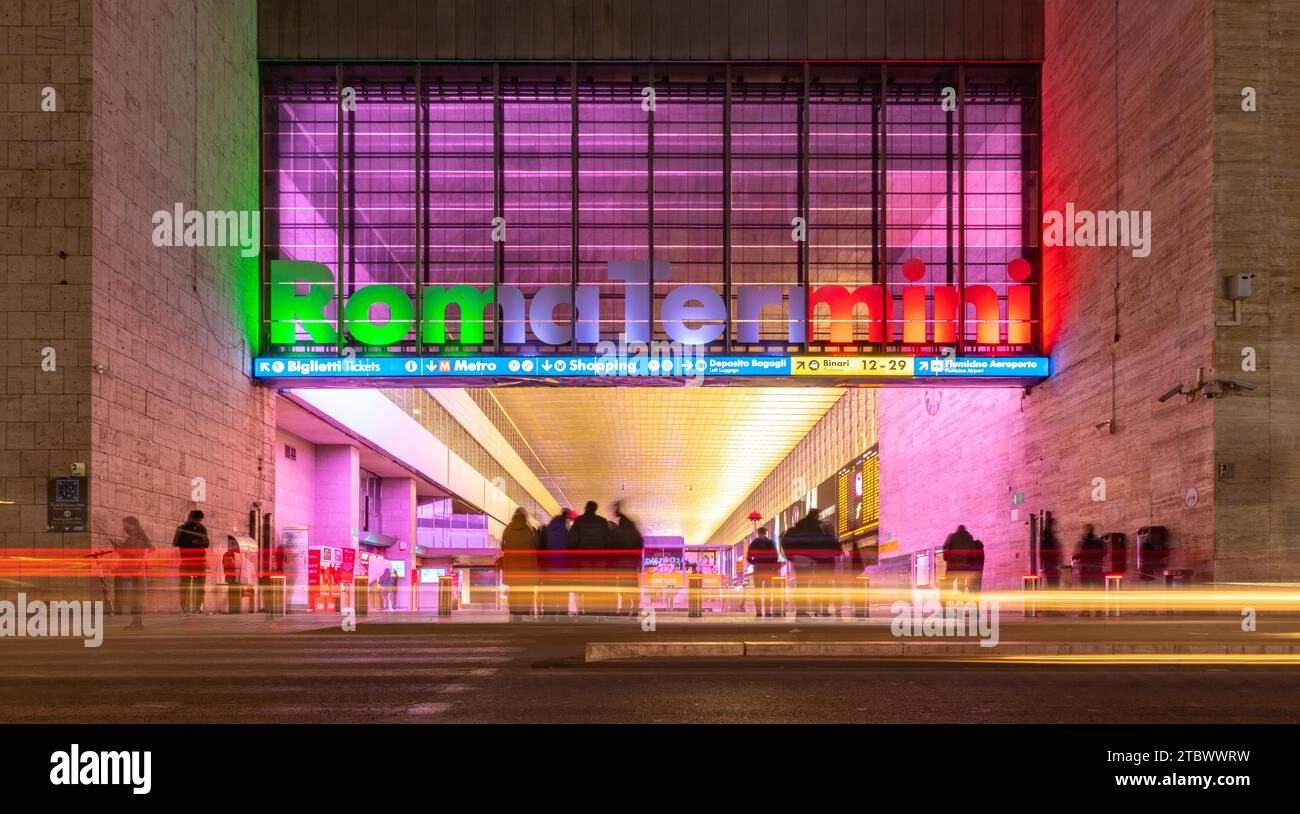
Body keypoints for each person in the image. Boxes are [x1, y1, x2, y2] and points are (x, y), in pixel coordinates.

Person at [780, 512, 839, 617]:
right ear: (815, 517)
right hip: (808, 560)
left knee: (802, 585)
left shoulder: (798, 527)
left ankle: (802, 610)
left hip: (799, 560)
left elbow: (785, 540)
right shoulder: (814, 527)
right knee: (809, 585)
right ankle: (812, 610)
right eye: (818, 517)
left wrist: (791, 556)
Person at [568, 501, 612, 615]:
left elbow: (573, 541)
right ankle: (595, 610)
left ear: (586, 508)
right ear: (595, 509)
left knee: (586, 585)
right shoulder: (602, 522)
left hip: (584, 559)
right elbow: (608, 541)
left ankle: (586, 610)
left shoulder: (578, 521)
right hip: (599, 559)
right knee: (597, 586)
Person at [112, 517, 153, 628]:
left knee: (136, 597)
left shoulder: (135, 538)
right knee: (136, 597)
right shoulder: (138, 537)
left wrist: (117, 546)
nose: (124, 527)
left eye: (125, 525)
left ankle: (137, 623)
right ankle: (136, 622)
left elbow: (131, 554)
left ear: (132, 525)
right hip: (138, 570)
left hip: (135, 570)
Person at [501, 508, 538, 618]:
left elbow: (503, 548)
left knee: (513, 593)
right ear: (526, 517)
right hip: (527, 569)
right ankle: (525, 613)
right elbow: (536, 548)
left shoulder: (507, 530)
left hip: (512, 570)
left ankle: (514, 614)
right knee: (526, 593)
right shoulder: (530, 530)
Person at [172, 510, 210, 615]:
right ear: (191, 518)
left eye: (200, 520)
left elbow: (207, 543)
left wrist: (201, 541)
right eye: (197, 520)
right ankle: (185, 608)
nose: (198, 522)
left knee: (198, 586)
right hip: (188, 560)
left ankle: (196, 608)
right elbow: (175, 542)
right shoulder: (182, 528)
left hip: (199, 561)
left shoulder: (202, 529)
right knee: (185, 585)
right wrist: (192, 542)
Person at [611, 502, 645, 617]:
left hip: (621, 565)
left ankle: (625, 609)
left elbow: (613, 547)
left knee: (623, 587)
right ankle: (635, 609)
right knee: (633, 586)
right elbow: (641, 543)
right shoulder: (633, 531)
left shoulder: (618, 532)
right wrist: (637, 557)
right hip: (632, 564)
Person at [540, 510, 572, 615]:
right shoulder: (566, 532)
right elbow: (570, 549)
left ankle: (549, 613)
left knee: (550, 592)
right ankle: (563, 613)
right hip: (564, 567)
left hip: (550, 567)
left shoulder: (548, 530)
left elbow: (543, 548)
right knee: (563, 592)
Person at [746, 527, 781, 618]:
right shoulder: (770, 542)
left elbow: (748, 557)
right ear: (766, 533)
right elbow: (775, 556)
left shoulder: (754, 543)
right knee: (768, 591)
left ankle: (758, 612)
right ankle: (768, 611)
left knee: (757, 590)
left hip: (758, 570)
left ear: (758, 533)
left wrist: (755, 562)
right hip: (768, 570)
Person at [1072, 524, 1106, 616]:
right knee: (1098, 590)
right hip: (1097, 569)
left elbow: (1079, 554)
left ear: (1086, 530)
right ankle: (1098, 610)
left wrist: (1075, 557)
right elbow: (1104, 553)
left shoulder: (1084, 542)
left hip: (1086, 569)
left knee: (1085, 590)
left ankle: (1086, 610)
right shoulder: (1099, 542)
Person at [942, 524, 983, 600]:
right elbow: (973, 553)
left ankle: (945, 602)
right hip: (963, 565)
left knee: (948, 583)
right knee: (960, 585)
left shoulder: (951, 536)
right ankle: (959, 603)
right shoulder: (969, 538)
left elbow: (944, 547)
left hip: (952, 564)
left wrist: (946, 558)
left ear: (958, 529)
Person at [1039, 516, 1062, 588]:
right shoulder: (1048, 538)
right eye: (1053, 525)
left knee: (1052, 583)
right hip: (1051, 564)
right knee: (1054, 583)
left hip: (1049, 564)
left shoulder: (1046, 537)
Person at [222, 537, 243, 614]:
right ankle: (235, 610)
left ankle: (232, 609)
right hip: (236, 574)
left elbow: (223, 564)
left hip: (228, 574)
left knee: (231, 591)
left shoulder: (226, 554)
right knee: (235, 591)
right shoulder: (237, 555)